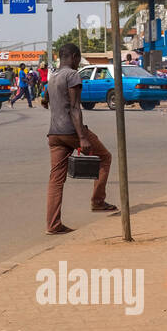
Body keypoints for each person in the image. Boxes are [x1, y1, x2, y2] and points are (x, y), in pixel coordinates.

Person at [44, 43, 115, 234]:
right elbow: (75, 108)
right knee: (105, 157)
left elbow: (44, 99)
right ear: (74, 57)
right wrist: (82, 137)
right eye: (78, 59)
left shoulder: (53, 76)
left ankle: (53, 225)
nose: (78, 62)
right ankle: (98, 201)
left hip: (54, 134)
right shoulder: (72, 75)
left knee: (56, 180)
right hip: (71, 132)